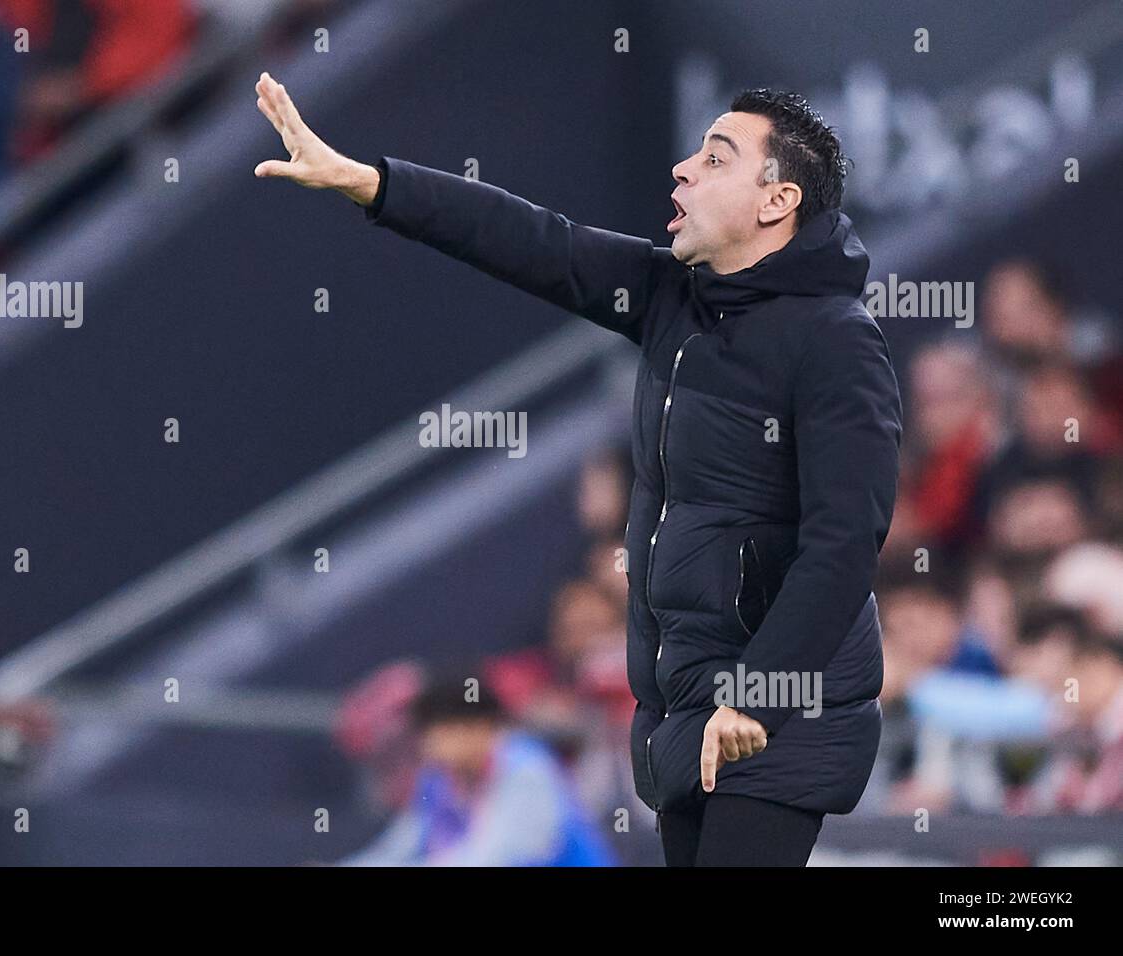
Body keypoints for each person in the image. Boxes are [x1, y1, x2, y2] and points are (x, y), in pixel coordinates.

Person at [254, 73, 901, 866]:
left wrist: (761, 692)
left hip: (778, 715)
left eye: (717, 157)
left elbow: (844, 541)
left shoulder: (836, 338)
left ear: (777, 202)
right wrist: (371, 184)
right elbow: (530, 240)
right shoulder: (674, 297)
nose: (683, 170)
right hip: (686, 713)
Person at [337, 676, 615, 866]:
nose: (431, 743)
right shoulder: (436, 779)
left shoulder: (527, 770)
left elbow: (492, 857)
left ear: (482, 727)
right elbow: (398, 849)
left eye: (444, 730)